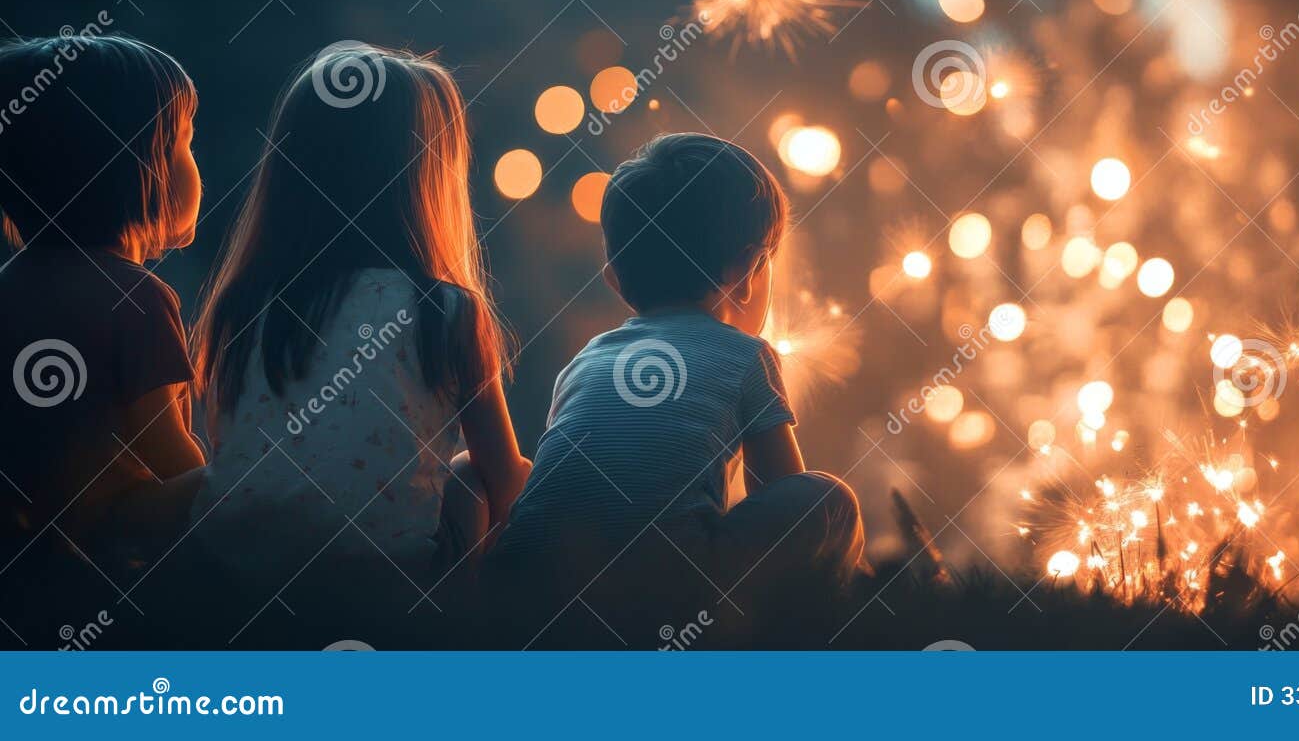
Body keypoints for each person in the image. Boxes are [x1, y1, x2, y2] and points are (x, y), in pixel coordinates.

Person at [189, 43, 529, 583]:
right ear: (424, 179)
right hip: (386, 584)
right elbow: (506, 481)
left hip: (234, 578)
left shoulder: (243, 303)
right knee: (469, 478)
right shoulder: (446, 309)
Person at [494, 132, 864, 607]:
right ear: (751, 269)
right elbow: (781, 489)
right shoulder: (748, 356)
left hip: (526, 592)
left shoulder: (584, 361)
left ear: (614, 280)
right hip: (662, 593)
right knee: (823, 500)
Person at [0, 34, 206, 562]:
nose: (193, 164)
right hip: (104, 546)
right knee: (230, 491)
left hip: (21, 552)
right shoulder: (136, 298)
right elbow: (169, 455)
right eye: (185, 142)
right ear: (145, 167)